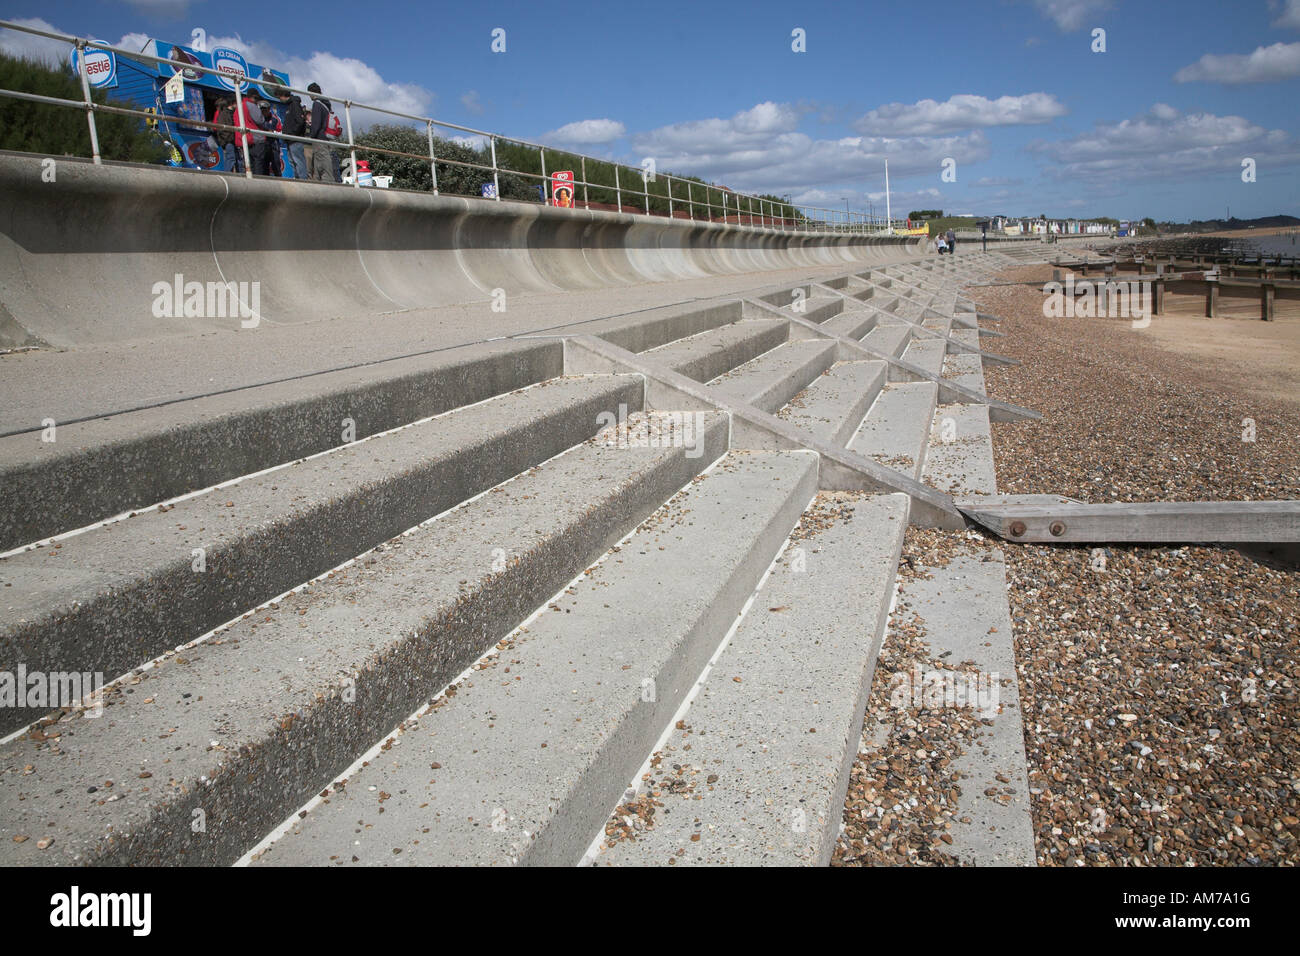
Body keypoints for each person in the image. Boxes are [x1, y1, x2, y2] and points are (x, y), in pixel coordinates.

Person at [307, 82, 335, 182]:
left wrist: (312, 135)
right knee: (323, 160)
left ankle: (326, 182)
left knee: (321, 161)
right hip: (327, 136)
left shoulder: (317, 104)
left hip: (319, 137)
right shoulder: (326, 104)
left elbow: (316, 123)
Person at [236, 94, 270, 175]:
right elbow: (260, 120)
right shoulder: (251, 106)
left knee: (249, 163)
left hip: (245, 138)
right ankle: (258, 182)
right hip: (256, 137)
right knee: (258, 162)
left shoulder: (239, 106)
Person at [277, 87, 307, 179]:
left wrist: (293, 133)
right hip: (290, 139)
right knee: (292, 161)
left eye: (279, 97)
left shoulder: (294, 104)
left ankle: (303, 181)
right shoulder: (290, 106)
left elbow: (300, 121)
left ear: (283, 95)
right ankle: (298, 179)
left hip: (295, 139)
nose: (280, 100)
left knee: (298, 161)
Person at [212, 96, 240, 173]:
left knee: (236, 159)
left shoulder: (232, 113)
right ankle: (227, 173)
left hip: (233, 140)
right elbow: (219, 128)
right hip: (229, 140)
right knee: (231, 158)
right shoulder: (223, 114)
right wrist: (228, 138)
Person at [260, 100, 284, 177]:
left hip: (273, 145)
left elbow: (280, 132)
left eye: (265, 109)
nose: (263, 111)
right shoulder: (258, 118)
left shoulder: (275, 119)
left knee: (276, 166)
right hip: (262, 145)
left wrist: (272, 132)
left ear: (269, 109)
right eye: (261, 109)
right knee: (264, 166)